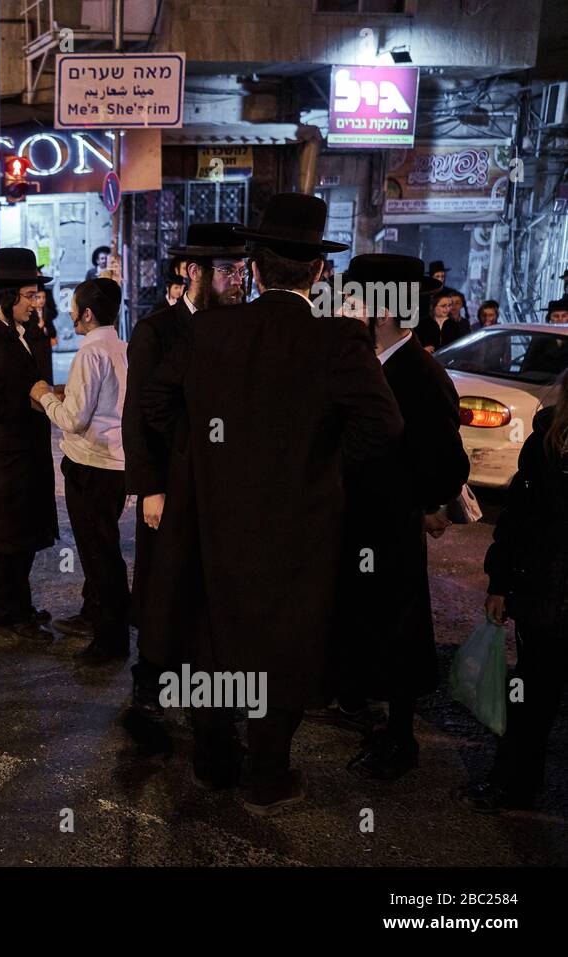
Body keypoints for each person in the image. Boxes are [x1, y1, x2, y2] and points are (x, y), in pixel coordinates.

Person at [142, 194, 403, 815]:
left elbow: (156, 404)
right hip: (299, 525)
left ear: (254, 268)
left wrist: (208, 456)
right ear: (318, 273)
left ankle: (211, 762)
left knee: (212, 635)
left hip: (214, 517)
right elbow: (384, 425)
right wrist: (322, 465)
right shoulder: (341, 341)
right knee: (282, 642)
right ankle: (266, 773)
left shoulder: (207, 330)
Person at [325, 255, 469, 780]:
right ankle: (355, 698)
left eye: (352, 299)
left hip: (389, 526)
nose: (344, 308)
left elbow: (447, 464)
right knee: (365, 619)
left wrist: (421, 503)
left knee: (399, 629)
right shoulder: (374, 363)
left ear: (381, 310)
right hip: (360, 520)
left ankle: (400, 737)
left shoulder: (419, 374)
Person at [121, 223, 248, 744]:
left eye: (241, 269)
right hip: (171, 485)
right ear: (192, 272)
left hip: (224, 490)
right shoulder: (157, 330)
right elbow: (138, 415)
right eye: (226, 270)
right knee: (164, 586)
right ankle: (147, 687)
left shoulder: (242, 327)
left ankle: (207, 692)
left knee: (213, 590)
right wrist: (149, 486)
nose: (237, 279)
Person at [463, 383, 568, 812]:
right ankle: (515, 783)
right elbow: (520, 518)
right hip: (543, 592)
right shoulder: (548, 433)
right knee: (529, 696)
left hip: (545, 589)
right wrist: (500, 583)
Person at [32, 278, 129, 663]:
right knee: (102, 549)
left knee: (99, 555)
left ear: (87, 314)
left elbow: (73, 419)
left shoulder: (90, 353)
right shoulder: (120, 347)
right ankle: (96, 616)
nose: (70, 313)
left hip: (91, 466)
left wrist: (43, 397)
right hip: (114, 465)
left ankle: (111, 640)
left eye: (73, 306)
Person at [0, 248, 59, 642]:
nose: (37, 302)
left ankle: (17, 604)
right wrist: (31, 400)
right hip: (3, 456)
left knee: (29, 534)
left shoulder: (33, 334)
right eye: (29, 295)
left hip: (31, 450)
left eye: (38, 295)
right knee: (10, 537)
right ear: (5, 297)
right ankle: (8, 612)